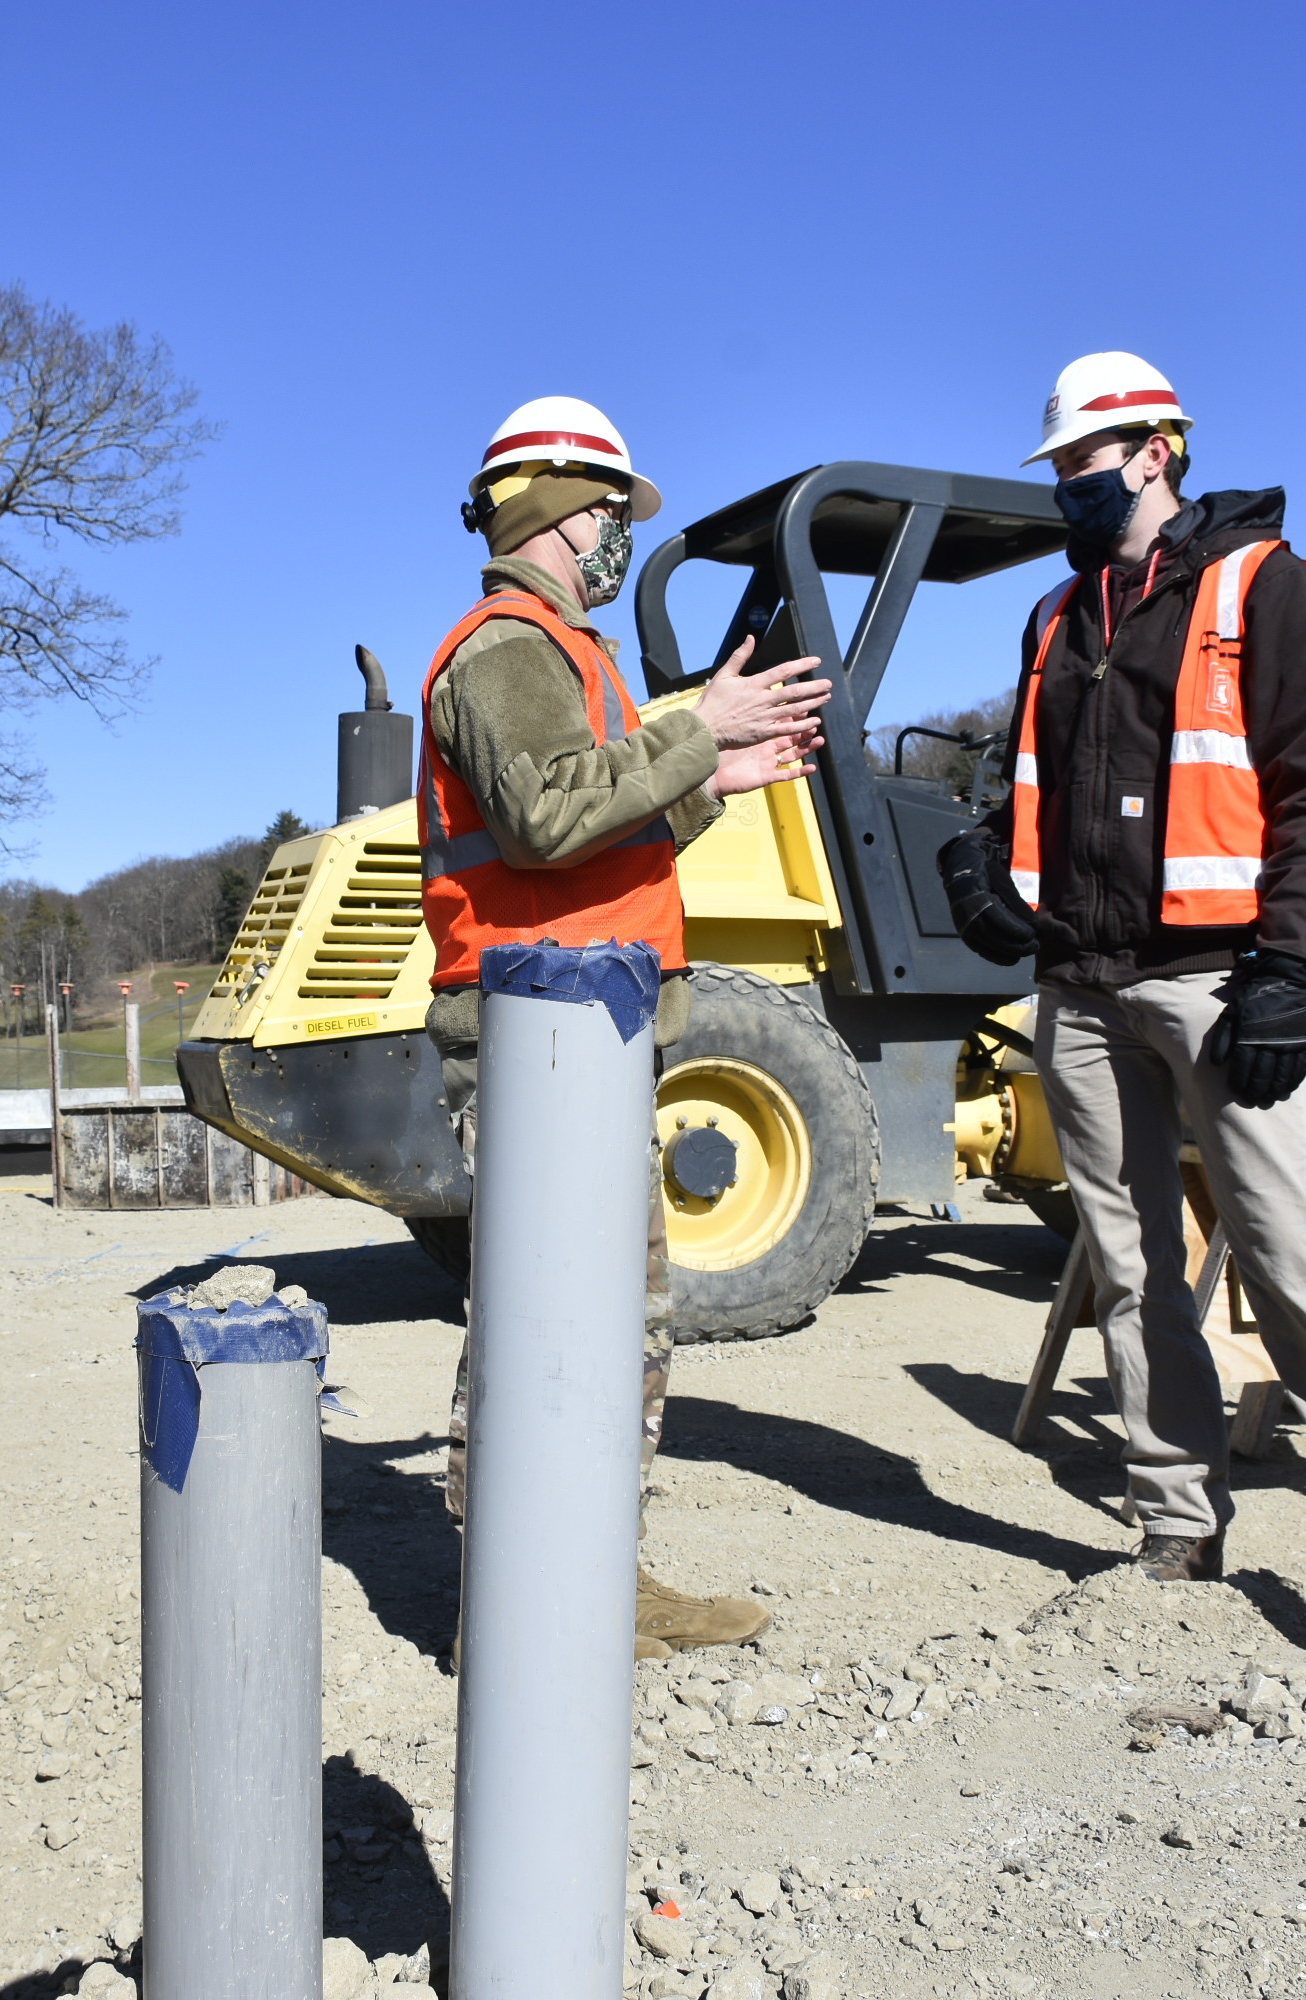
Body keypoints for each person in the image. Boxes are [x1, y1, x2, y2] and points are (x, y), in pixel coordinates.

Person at [938, 353, 1306, 1607]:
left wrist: (1289, 967)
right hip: (1082, 986)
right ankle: (1175, 1518)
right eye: (1059, 466)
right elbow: (1030, 786)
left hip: (1219, 982)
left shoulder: (1261, 588)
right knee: (1127, 1265)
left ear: (1155, 451)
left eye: (1080, 462)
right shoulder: (1056, 616)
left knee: (1283, 1245)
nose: (1067, 485)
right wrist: (997, 882)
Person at [422, 395, 831, 1657]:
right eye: (607, 507)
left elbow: (593, 835)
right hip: (537, 1040)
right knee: (558, 1317)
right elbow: (544, 817)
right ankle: (528, 1591)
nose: (615, 530)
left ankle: (589, 1570)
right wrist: (694, 731)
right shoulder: (504, 649)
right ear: (547, 503)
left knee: (605, 1317)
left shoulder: (566, 653)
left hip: (586, 1037)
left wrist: (706, 777)